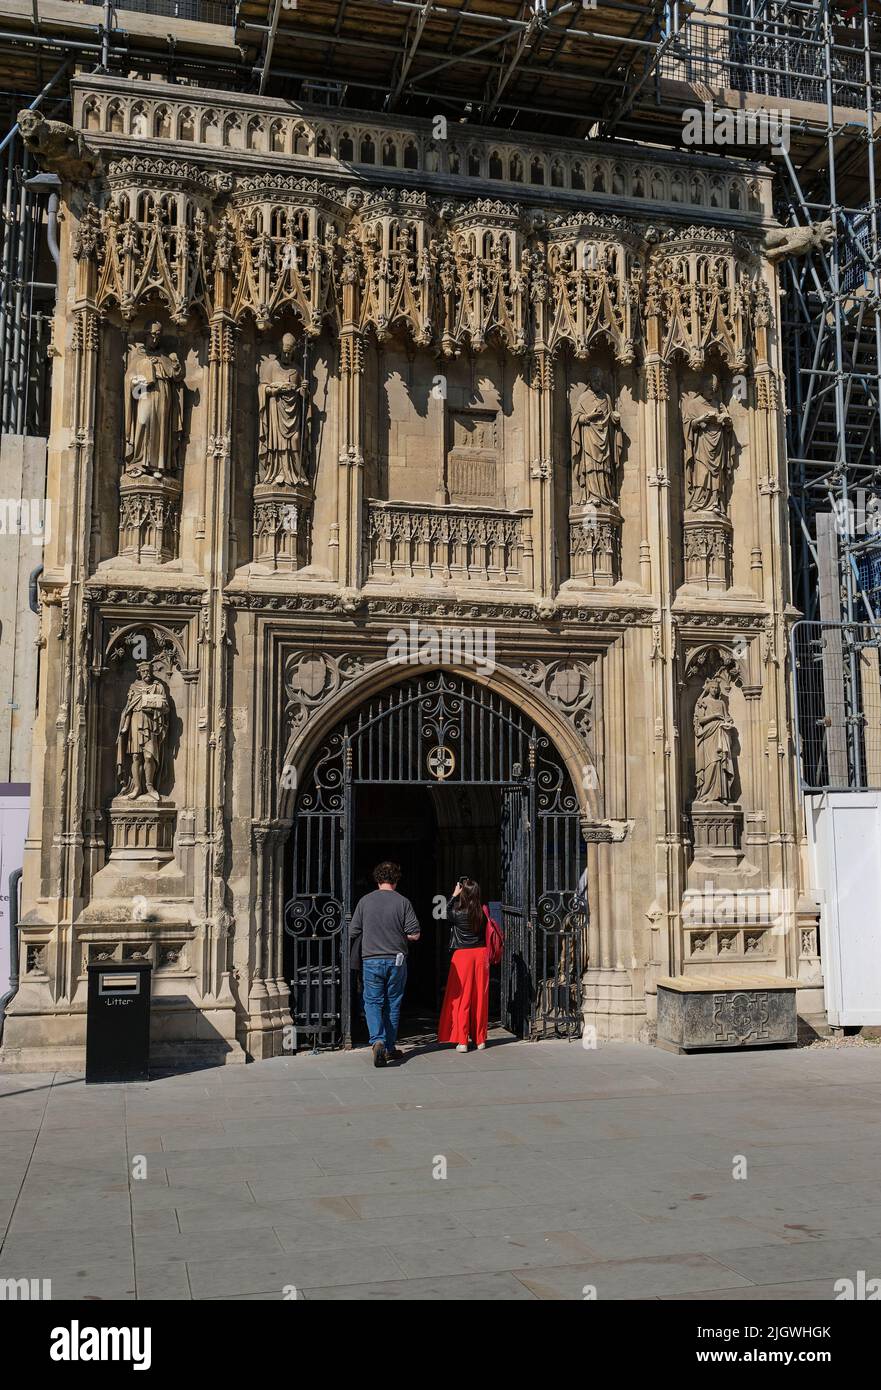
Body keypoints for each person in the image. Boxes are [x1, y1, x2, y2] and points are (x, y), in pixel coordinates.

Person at [349, 862, 420, 1067]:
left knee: (372, 1002)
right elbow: (414, 934)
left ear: (377, 879)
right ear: (396, 880)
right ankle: (389, 1047)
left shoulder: (364, 901)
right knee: (393, 1003)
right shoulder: (403, 902)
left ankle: (377, 1040)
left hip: (371, 959)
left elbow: (353, 931)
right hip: (396, 959)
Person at [437, 876, 489, 1053]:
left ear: (463, 894)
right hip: (481, 954)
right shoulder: (483, 912)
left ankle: (462, 1040)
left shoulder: (458, 913)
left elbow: (442, 912)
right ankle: (480, 1039)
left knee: (462, 998)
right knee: (480, 997)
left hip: (463, 956)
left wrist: (453, 895)